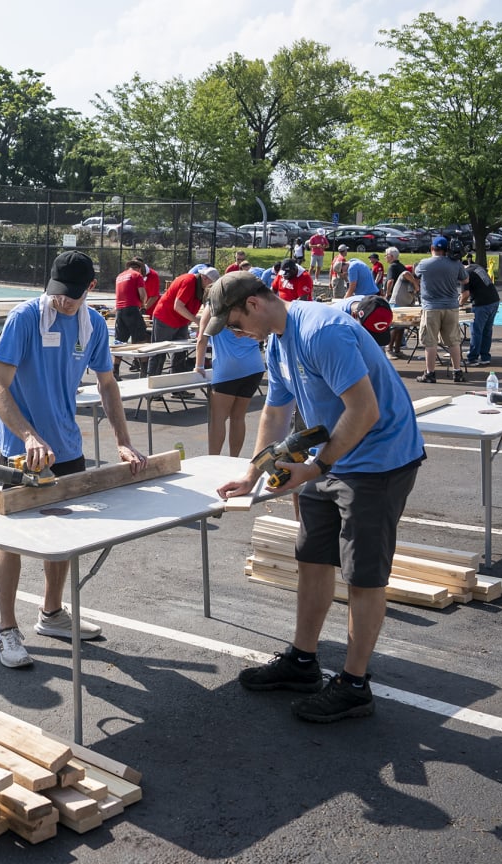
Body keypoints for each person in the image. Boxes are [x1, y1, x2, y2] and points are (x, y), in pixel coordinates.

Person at [210, 272, 425, 723]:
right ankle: (303, 661)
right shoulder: (277, 341)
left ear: (253, 305)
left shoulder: (321, 331)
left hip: (379, 460)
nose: (236, 334)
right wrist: (253, 472)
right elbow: (275, 410)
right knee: (311, 558)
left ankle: (354, 685)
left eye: (234, 324)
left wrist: (315, 468)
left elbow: (365, 410)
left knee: (363, 576)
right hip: (331, 459)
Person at [0, 250, 148, 668]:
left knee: (62, 537)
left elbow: (107, 384)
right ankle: (6, 631)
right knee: (11, 539)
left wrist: (124, 441)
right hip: (21, 451)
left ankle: (52, 613)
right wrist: (28, 436)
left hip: (67, 447)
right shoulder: (24, 318)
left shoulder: (92, 324)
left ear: (90, 288)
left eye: (73, 296)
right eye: (58, 293)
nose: (64, 302)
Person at [194, 296, 264, 457]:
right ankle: (234, 459)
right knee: (238, 417)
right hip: (254, 367)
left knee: (218, 419)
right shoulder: (248, 305)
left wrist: (199, 366)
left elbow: (202, 338)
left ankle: (214, 460)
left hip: (228, 368)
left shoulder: (213, 305)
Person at [413, 236, 469, 383]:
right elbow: (465, 280)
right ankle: (457, 372)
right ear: (446, 250)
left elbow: (416, 275)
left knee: (430, 342)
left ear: (432, 248)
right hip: (451, 306)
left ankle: (430, 374)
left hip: (431, 307)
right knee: (454, 341)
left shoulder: (424, 263)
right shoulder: (455, 264)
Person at [148, 266, 219, 377]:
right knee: (158, 352)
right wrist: (196, 320)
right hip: (165, 318)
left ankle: (177, 383)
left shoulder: (203, 287)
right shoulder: (189, 281)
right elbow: (178, 306)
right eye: (212, 283)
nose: (213, 287)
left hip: (182, 321)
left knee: (180, 354)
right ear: (204, 278)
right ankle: (151, 383)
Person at [111, 258, 153, 378]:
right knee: (141, 340)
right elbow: (142, 294)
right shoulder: (137, 275)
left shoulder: (120, 276)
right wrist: (143, 305)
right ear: (139, 269)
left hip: (120, 311)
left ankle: (115, 371)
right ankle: (144, 371)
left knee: (120, 341)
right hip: (132, 310)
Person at [463, 254, 500, 367]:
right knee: (487, 330)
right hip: (494, 300)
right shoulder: (477, 267)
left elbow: (465, 294)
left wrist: (459, 304)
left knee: (476, 331)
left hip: (481, 304)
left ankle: (473, 358)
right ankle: (485, 357)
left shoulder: (465, 274)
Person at [384, 247, 420, 358]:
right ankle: (389, 350)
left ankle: (397, 350)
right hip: (397, 302)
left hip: (405, 305)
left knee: (401, 329)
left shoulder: (397, 266)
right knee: (395, 327)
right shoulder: (402, 269)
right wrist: (415, 284)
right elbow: (404, 274)